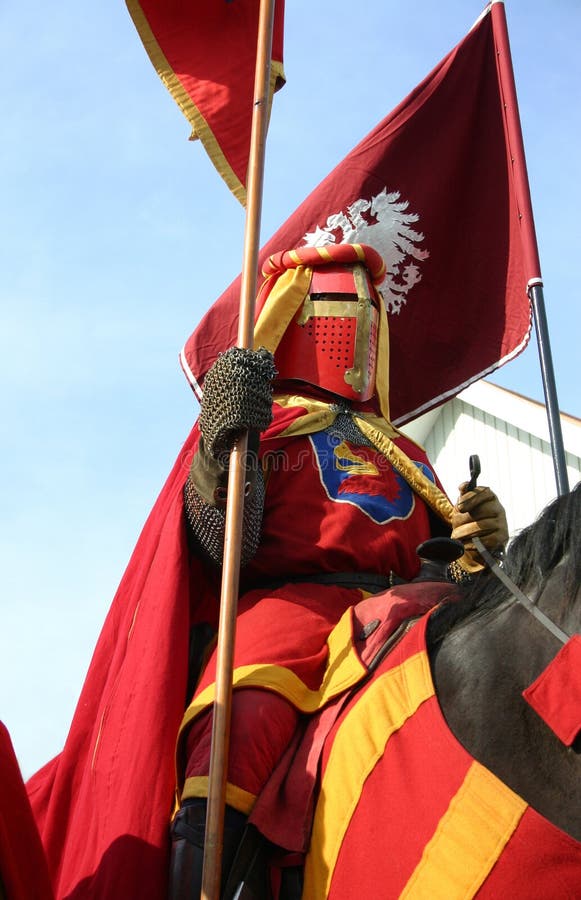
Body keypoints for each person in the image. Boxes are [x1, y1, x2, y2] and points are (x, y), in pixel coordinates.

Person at [169, 243, 508, 896]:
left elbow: (454, 568)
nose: (358, 325)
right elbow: (221, 541)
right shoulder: (261, 428)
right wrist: (223, 440)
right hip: (292, 609)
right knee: (240, 724)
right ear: (295, 318)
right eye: (336, 307)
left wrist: (478, 547)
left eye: (367, 310)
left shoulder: (401, 446)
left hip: (411, 608)